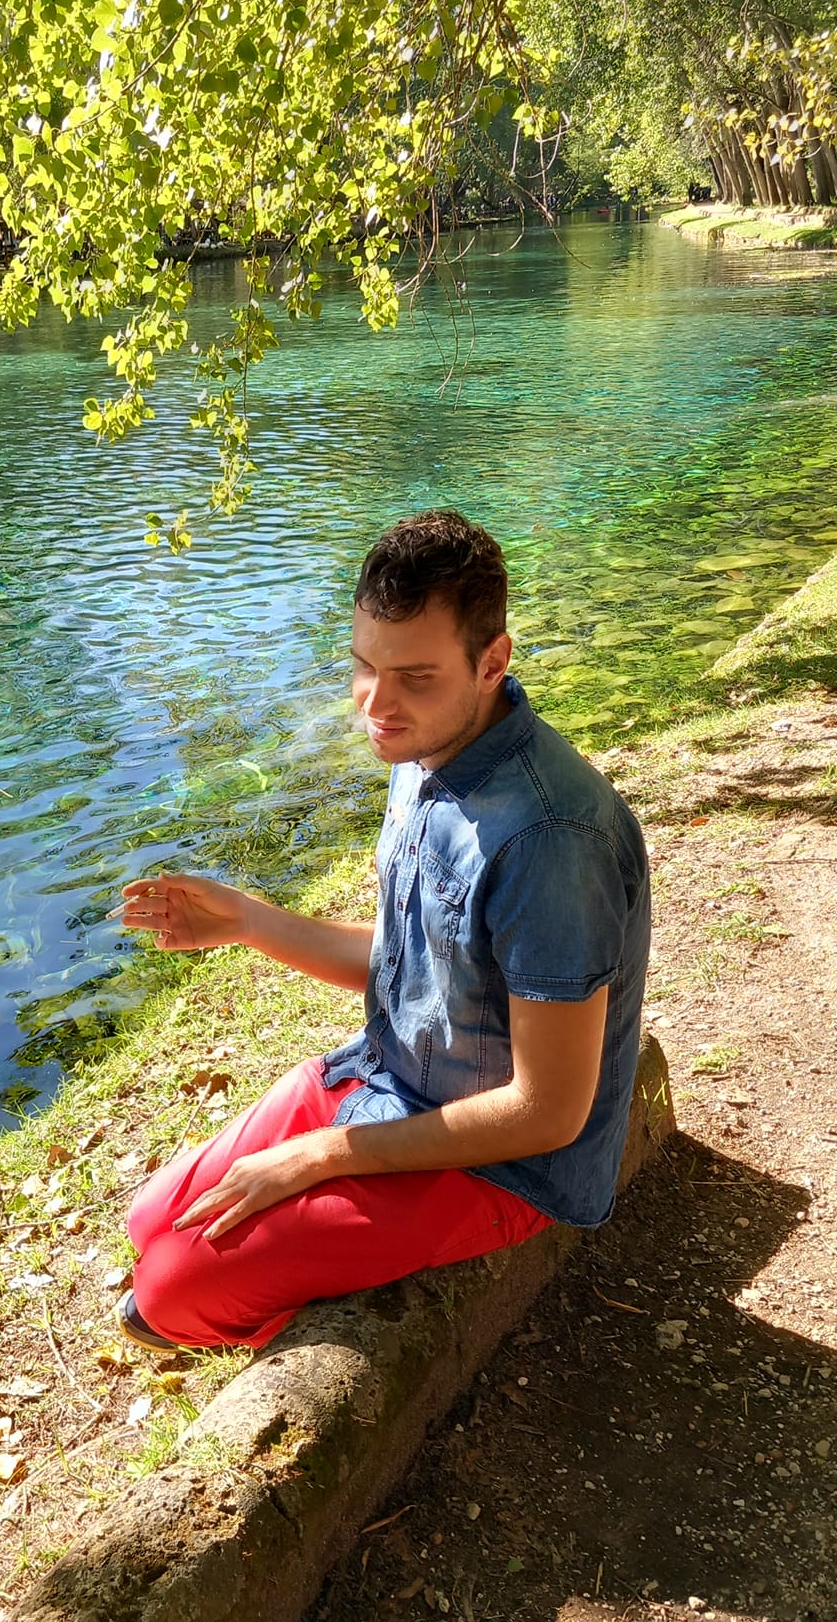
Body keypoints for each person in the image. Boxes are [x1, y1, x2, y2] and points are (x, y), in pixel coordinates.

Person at [116, 510, 651, 1351]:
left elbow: (547, 1112)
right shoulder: (426, 750)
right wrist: (249, 921)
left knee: (170, 1294)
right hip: (396, 1078)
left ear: (493, 662)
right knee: (149, 1222)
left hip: (502, 1163)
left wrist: (324, 1155)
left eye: (413, 676)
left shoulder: (551, 843)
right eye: (362, 666)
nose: (376, 703)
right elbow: (418, 967)